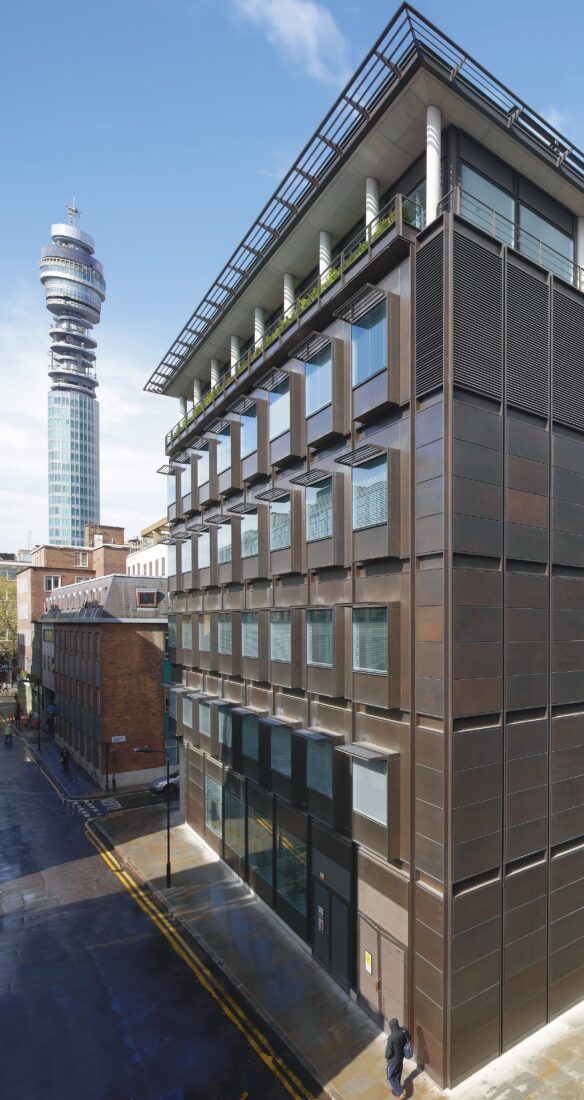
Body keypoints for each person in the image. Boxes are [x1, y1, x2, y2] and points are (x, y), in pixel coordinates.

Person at [385, 1017, 411, 1097]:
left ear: (391, 1027)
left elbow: (389, 1052)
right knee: (398, 1074)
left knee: (390, 1076)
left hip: (393, 1061)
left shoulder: (391, 1037)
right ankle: (396, 1091)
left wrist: (386, 1056)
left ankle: (400, 1092)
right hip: (400, 1059)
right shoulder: (403, 1031)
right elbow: (409, 1038)